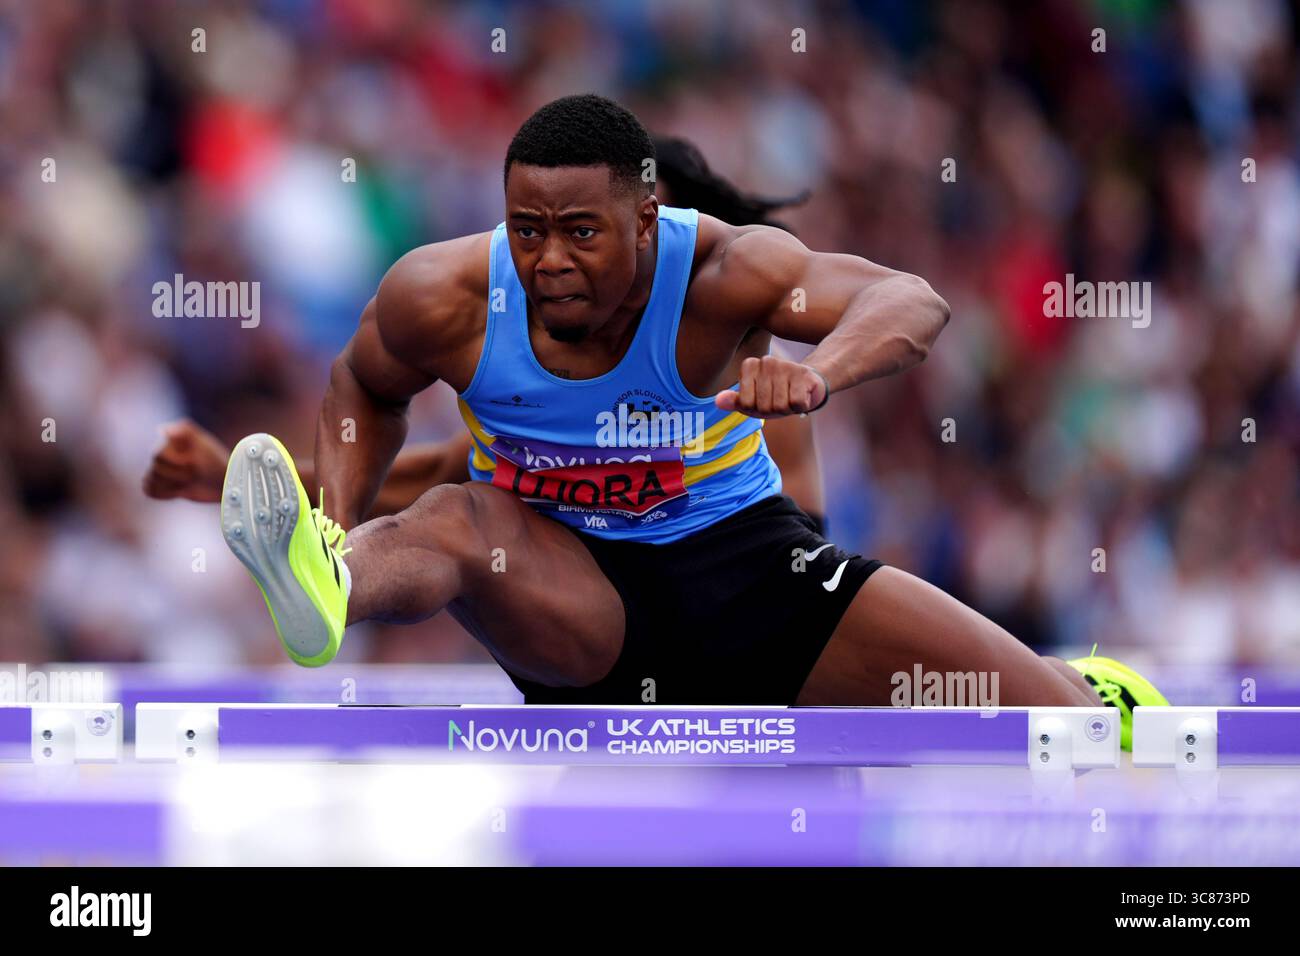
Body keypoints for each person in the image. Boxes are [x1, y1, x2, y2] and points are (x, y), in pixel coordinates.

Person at [178, 95, 1169, 745]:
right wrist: (337, 508)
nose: (549, 261)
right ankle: (330, 578)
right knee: (454, 515)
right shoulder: (444, 295)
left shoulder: (725, 276)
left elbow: (910, 301)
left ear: (647, 222)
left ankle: (1082, 691)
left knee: (1064, 726)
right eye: (527, 231)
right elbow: (362, 392)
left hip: (752, 585)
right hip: (574, 603)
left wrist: (818, 374)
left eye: (580, 234)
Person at [144, 134, 826, 528]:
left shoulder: (753, 387)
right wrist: (237, 478)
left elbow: (794, 541)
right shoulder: (544, 365)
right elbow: (436, 473)